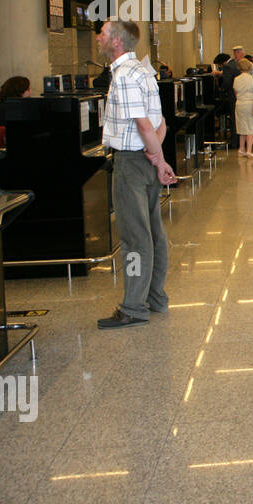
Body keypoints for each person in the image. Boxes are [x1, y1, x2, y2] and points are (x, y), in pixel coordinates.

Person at [95, 19, 174, 329]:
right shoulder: (144, 72)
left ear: (116, 41)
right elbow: (160, 121)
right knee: (153, 232)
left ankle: (133, 307)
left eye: (102, 33)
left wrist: (159, 160)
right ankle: (156, 298)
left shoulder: (125, 76)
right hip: (146, 159)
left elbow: (144, 126)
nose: (98, 37)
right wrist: (158, 158)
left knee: (133, 238)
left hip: (131, 161)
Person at [233, 58, 253, 159]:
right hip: (250, 103)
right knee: (251, 127)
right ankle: (249, 150)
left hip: (239, 103)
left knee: (241, 126)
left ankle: (241, 149)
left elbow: (235, 92)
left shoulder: (236, 79)